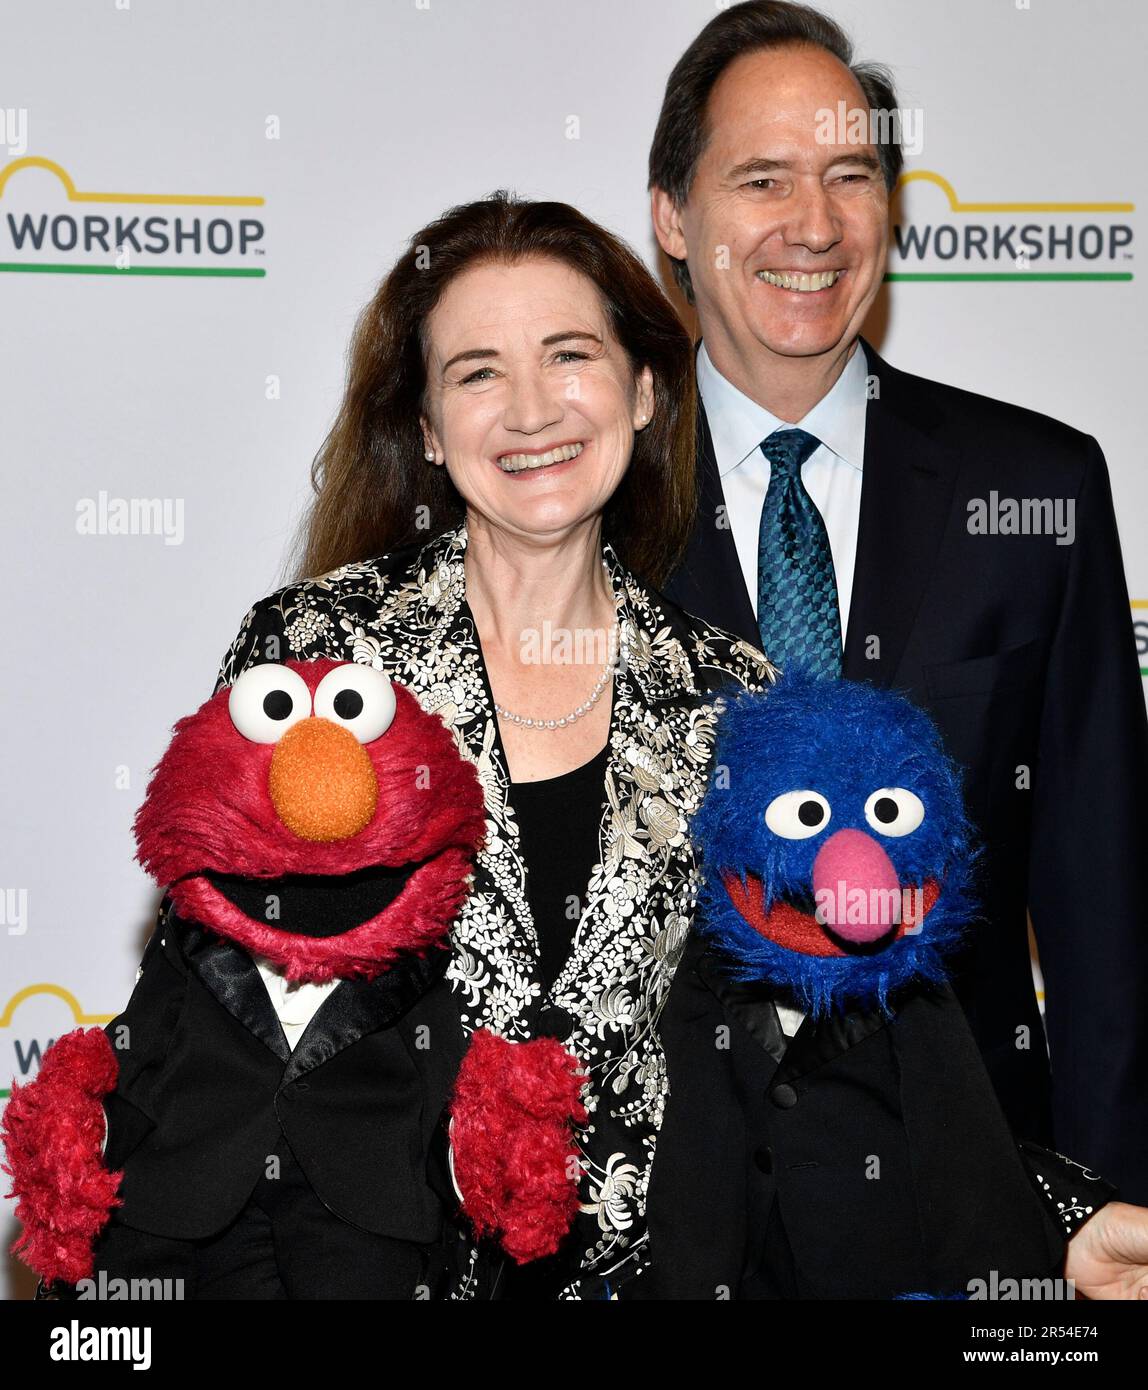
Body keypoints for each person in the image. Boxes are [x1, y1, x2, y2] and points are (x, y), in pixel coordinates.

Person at [212, 192, 775, 1298]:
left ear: (645, 389)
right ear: (425, 427)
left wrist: (1046, 1212)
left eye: (569, 354)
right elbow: (217, 1028)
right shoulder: (318, 663)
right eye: (475, 371)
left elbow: (807, 1057)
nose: (529, 409)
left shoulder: (732, 696)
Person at [649, 0, 1148, 1202]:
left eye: (849, 176)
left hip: (968, 1203)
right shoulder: (583, 498)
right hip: (663, 1217)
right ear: (673, 215)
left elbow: (1105, 915)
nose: (810, 225)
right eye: (760, 178)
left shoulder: (1035, 487)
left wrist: (1106, 1210)